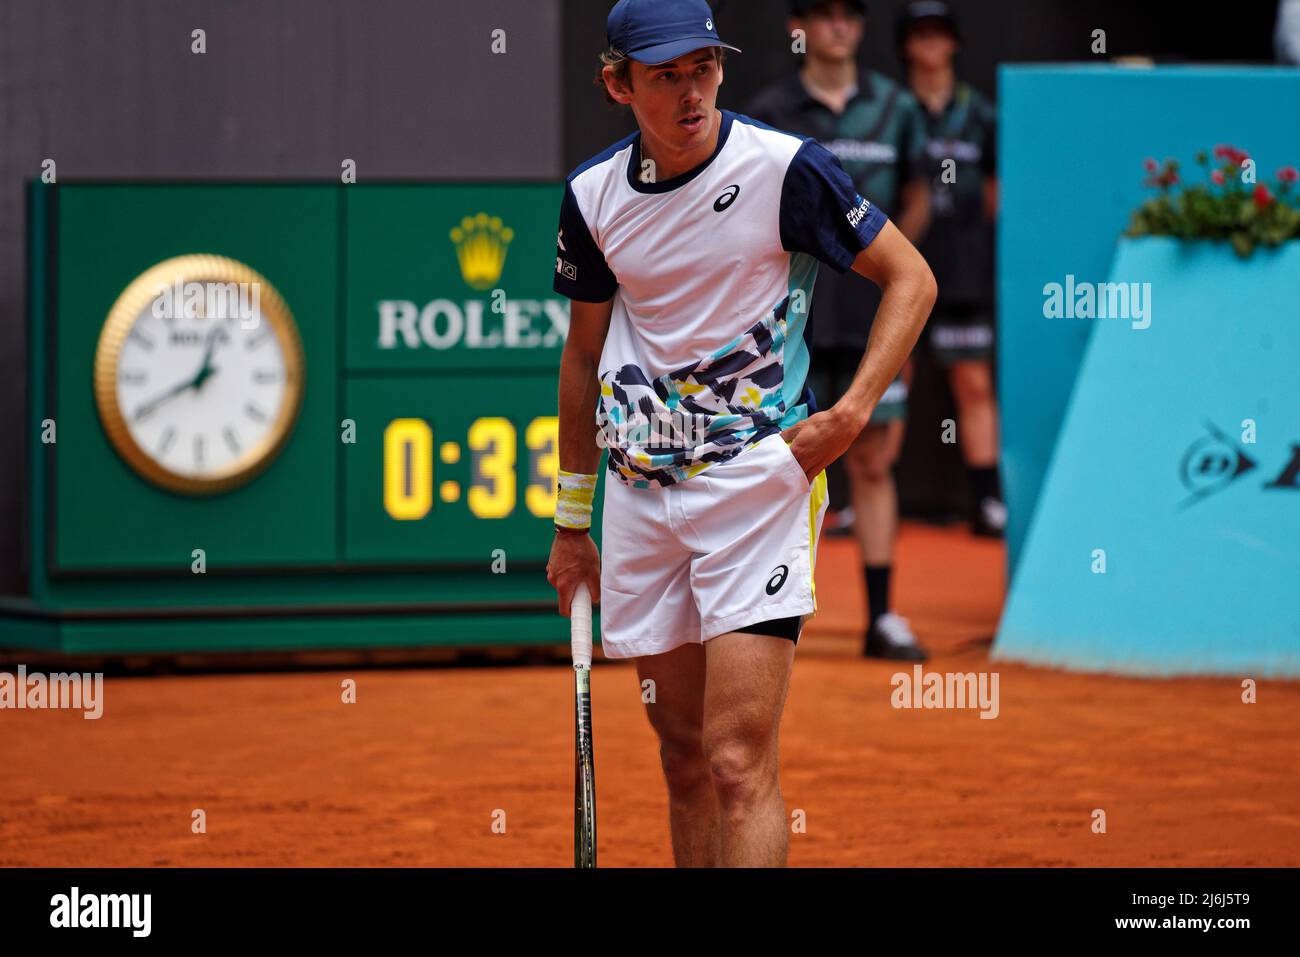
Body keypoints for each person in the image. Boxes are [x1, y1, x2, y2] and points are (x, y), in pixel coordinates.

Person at [546, 0, 935, 867]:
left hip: (756, 486)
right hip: (640, 497)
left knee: (733, 759)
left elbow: (910, 278)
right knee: (681, 757)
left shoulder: (787, 169)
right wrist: (574, 523)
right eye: (665, 75)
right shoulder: (592, 197)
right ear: (618, 84)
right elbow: (582, 359)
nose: (692, 92)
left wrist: (850, 412)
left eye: (704, 68)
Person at [745, 0, 931, 660]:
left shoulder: (897, 107)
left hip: (871, 313)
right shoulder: (768, 110)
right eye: (821, 15)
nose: (836, 26)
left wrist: (895, 276)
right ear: (798, 28)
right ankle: (773, 612)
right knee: (781, 464)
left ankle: (882, 618)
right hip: (793, 320)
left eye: (848, 14)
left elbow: (919, 193)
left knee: (876, 462)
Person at [898, 1, 1005, 537]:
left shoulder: (980, 115)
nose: (931, 44)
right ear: (906, 45)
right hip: (898, 270)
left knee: (972, 381)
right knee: (890, 379)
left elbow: (995, 195)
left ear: (955, 43)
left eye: (940, 34)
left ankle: (987, 502)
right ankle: (871, 493)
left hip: (962, 271)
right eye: (920, 35)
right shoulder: (893, 111)